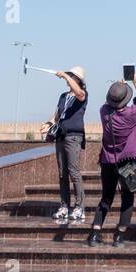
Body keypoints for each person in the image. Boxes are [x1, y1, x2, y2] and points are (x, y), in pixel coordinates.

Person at [87, 71, 136, 247]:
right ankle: (119, 236)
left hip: (108, 161)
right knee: (127, 197)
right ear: (125, 99)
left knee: (106, 197)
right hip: (127, 162)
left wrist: (119, 88)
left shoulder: (104, 112)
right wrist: (135, 84)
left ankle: (95, 233)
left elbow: (108, 104)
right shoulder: (131, 114)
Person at [40, 67, 88, 224]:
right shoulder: (63, 96)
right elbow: (56, 116)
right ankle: (64, 206)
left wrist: (67, 77)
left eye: (73, 76)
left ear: (78, 79)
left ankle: (79, 207)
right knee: (62, 173)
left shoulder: (82, 94)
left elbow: (79, 94)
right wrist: (48, 124)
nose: (69, 78)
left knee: (74, 171)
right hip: (60, 136)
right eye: (69, 75)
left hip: (74, 137)